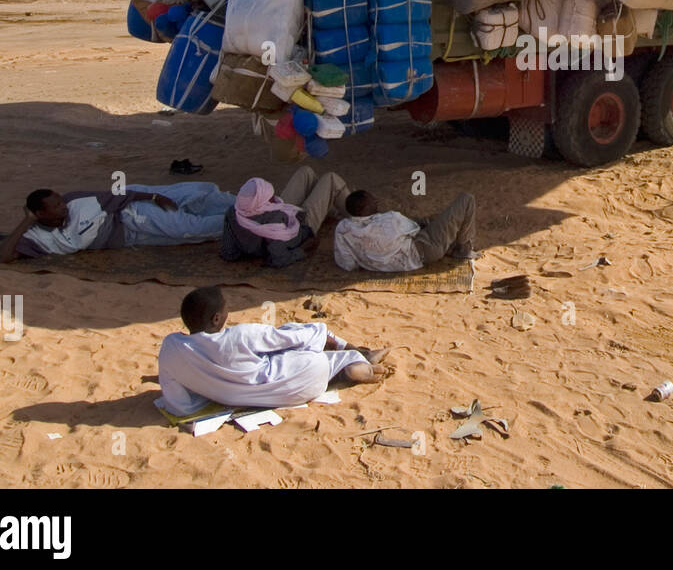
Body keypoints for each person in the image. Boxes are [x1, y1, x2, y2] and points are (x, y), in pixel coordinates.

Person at [157, 286, 389, 416]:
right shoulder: (240, 335)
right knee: (300, 335)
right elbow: (295, 337)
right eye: (227, 308)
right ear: (217, 318)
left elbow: (178, 400)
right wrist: (322, 334)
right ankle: (357, 354)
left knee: (279, 356)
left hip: (248, 397)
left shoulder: (172, 348)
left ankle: (350, 365)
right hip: (307, 376)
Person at [0, 180, 237, 263]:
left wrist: (153, 197)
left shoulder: (77, 201)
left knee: (188, 223)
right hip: (130, 236)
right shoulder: (36, 238)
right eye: (56, 206)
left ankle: (246, 212)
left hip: (129, 211)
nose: (63, 206)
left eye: (60, 200)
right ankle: (244, 220)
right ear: (39, 214)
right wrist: (25, 223)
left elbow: (118, 196)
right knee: (194, 234)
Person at [222, 166, 352, 268]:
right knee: (331, 179)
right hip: (302, 226)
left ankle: (328, 206)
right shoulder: (274, 224)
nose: (274, 197)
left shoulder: (234, 212)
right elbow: (279, 258)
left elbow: (229, 252)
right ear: (262, 202)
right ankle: (360, 217)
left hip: (280, 215)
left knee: (306, 172)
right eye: (270, 197)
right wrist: (302, 249)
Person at [334, 190, 479, 273]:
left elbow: (347, 263)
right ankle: (463, 249)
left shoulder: (343, 228)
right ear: (363, 209)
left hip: (398, 260)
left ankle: (450, 242)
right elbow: (415, 229)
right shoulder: (390, 219)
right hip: (424, 251)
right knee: (466, 199)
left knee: (435, 221)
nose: (376, 202)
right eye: (372, 201)